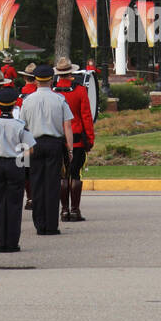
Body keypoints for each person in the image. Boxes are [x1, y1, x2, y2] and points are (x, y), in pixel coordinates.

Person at [17, 64, 73, 236]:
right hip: (54, 144)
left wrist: (21, 155)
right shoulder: (60, 99)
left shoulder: (27, 101)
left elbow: (22, 128)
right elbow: (68, 126)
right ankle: (51, 225)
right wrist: (70, 150)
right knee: (52, 185)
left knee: (36, 184)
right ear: (51, 79)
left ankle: (39, 224)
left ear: (35, 81)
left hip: (33, 143)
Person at [0, 88, 35, 252]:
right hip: (15, 163)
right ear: (14, 105)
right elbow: (30, 150)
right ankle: (12, 242)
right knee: (14, 205)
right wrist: (23, 165)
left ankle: (0, 241)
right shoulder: (19, 125)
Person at [54, 58, 95, 223]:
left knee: (62, 176)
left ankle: (64, 210)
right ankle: (75, 210)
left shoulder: (53, 91)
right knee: (75, 174)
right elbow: (86, 116)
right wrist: (90, 139)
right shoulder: (80, 91)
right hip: (77, 139)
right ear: (71, 72)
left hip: (58, 138)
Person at [19, 64, 38, 210]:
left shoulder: (19, 97)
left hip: (24, 138)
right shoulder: (42, 94)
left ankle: (30, 198)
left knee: (25, 170)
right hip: (39, 136)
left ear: (25, 77)